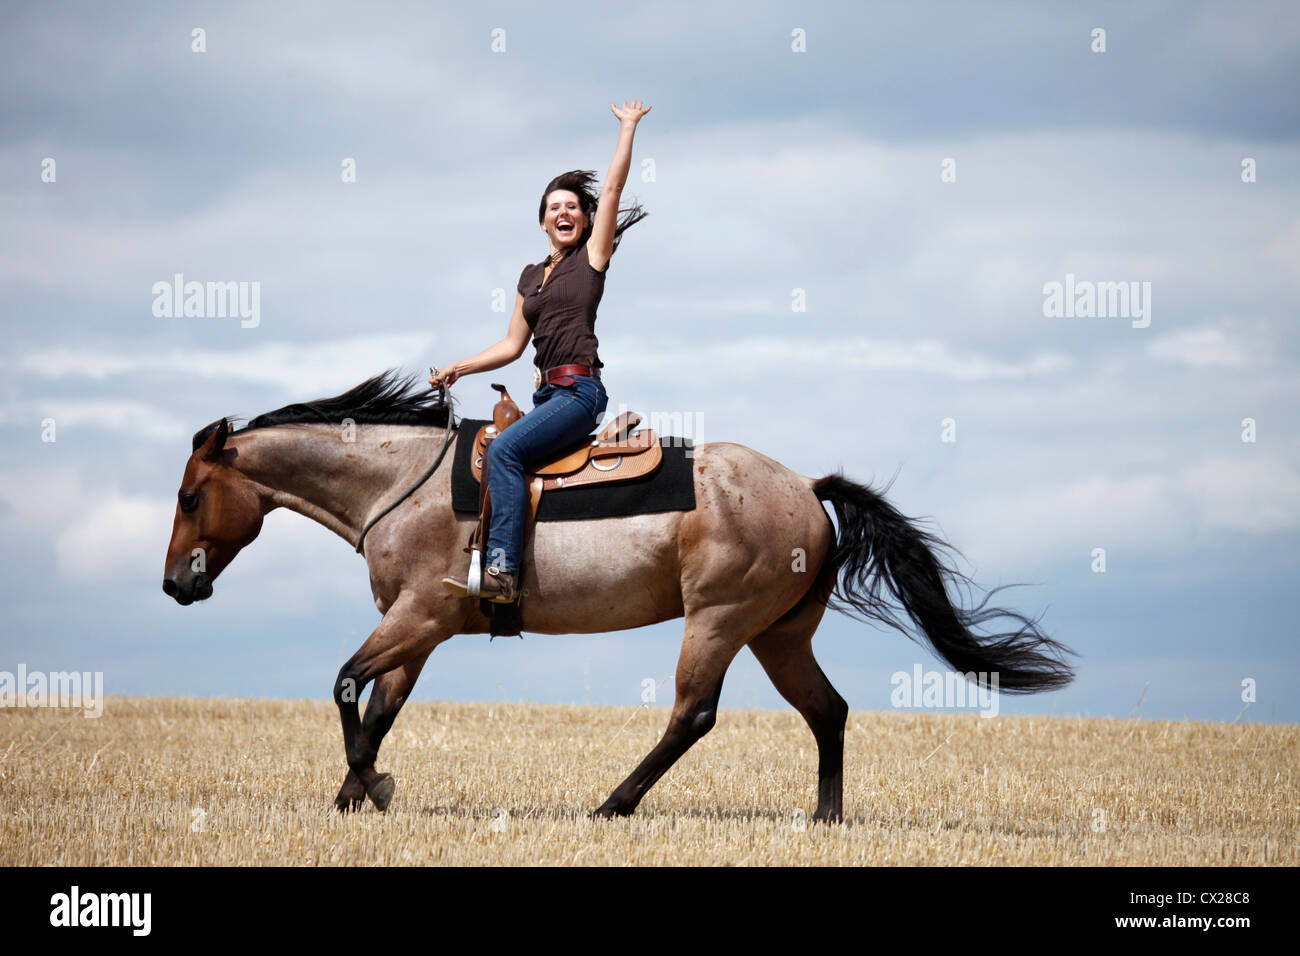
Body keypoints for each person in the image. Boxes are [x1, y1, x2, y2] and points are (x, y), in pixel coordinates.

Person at [434, 99, 652, 603]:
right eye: (554, 207)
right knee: (492, 448)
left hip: (579, 390)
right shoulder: (530, 277)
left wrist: (627, 128)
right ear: (542, 222)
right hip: (545, 397)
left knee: (506, 451)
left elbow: (614, 187)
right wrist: (458, 368)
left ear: (585, 219)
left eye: (572, 207)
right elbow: (513, 344)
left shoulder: (593, 257)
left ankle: (503, 573)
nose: (564, 212)